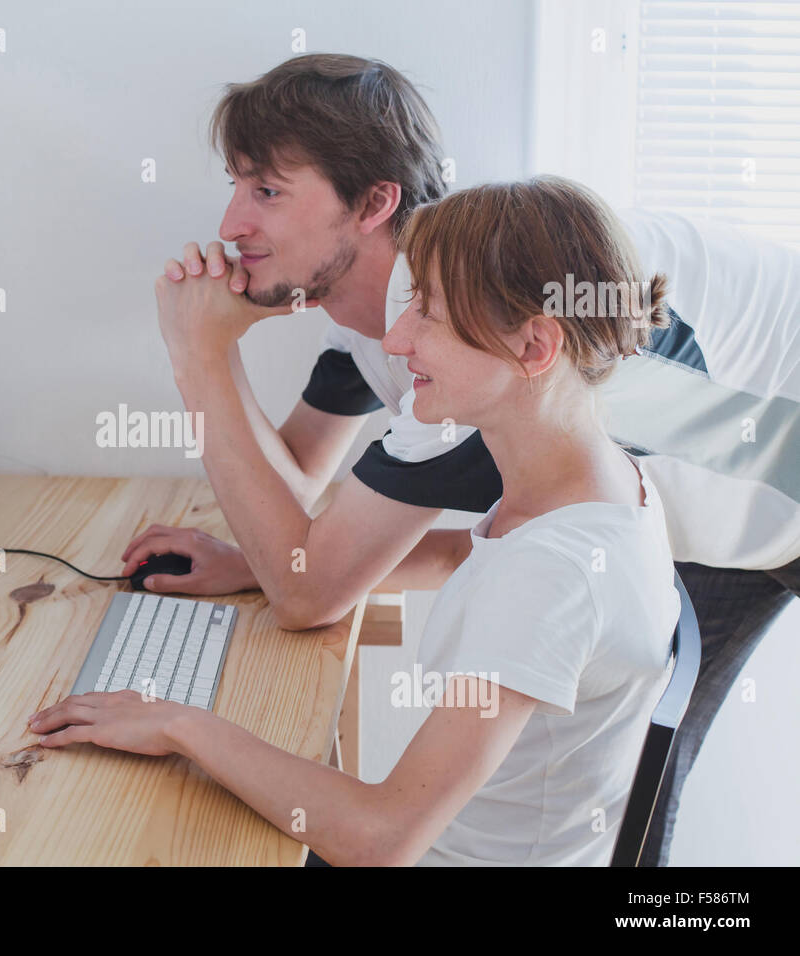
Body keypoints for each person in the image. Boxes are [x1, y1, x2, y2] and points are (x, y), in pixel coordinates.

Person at [119, 53, 800, 865]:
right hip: (642, 507)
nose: (231, 223)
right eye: (236, 184)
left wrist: (196, 360)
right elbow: (298, 493)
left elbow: (309, 588)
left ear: (375, 205)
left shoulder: (478, 343)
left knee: (611, 793)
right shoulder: (428, 307)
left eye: (267, 190)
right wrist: (252, 544)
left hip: (765, 487)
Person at [31, 178, 680, 866]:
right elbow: (471, 554)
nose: (396, 340)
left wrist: (177, 723)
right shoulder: (595, 482)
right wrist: (256, 567)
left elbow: (381, 838)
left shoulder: (553, 577)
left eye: (428, 313)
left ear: (533, 347)